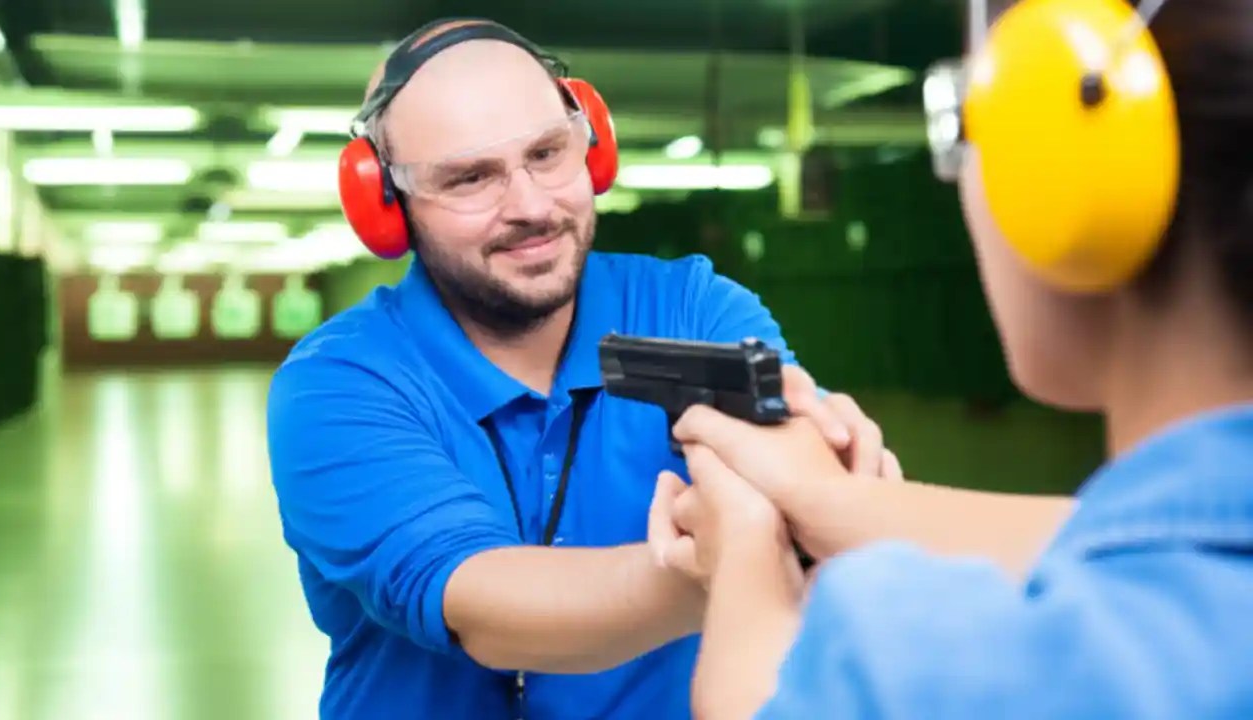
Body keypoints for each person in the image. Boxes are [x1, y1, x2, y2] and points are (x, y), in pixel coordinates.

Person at [265, 17, 901, 720]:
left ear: (591, 147)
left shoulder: (691, 305)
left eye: (547, 153)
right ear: (386, 204)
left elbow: (801, 474)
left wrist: (822, 498)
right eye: (470, 178)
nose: (531, 205)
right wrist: (752, 564)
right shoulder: (338, 381)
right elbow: (481, 604)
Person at [652, 0, 1253, 717]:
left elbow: (758, 699)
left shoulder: (924, 674)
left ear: (1062, 164)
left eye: (970, 124)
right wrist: (839, 503)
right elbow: (1155, 540)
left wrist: (747, 548)